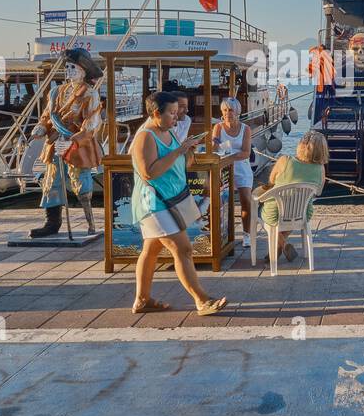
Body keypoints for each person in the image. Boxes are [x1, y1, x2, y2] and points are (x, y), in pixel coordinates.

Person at [130, 91, 228, 316]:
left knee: (151, 249)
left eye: (177, 112)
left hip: (170, 199)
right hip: (154, 202)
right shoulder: (146, 136)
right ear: (156, 113)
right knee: (183, 249)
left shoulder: (169, 132)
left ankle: (142, 299)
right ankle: (202, 300)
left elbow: (182, 163)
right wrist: (178, 151)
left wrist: (188, 151)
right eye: (172, 113)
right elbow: (149, 172)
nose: (177, 117)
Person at [29, 47, 104, 238]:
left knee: (82, 183)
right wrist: (41, 127)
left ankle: (91, 224)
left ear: (84, 70)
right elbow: (47, 116)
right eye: (67, 67)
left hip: (78, 146)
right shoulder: (56, 92)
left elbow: (91, 123)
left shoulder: (90, 94)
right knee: (51, 181)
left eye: (73, 67)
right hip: (55, 143)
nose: (69, 71)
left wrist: (74, 140)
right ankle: (52, 223)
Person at [257, 130, 328, 263]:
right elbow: (318, 192)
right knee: (292, 213)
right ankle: (281, 245)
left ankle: (281, 244)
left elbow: (271, 181)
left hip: (275, 213)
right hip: (302, 213)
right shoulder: (321, 169)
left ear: (301, 145)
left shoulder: (285, 160)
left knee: (258, 207)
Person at [211, 98, 254, 239]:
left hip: (241, 168)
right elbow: (214, 148)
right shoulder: (218, 128)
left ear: (237, 112)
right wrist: (213, 144)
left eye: (230, 110)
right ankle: (222, 234)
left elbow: (246, 152)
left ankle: (246, 234)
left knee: (246, 201)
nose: (227, 113)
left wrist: (229, 158)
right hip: (224, 169)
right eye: (225, 110)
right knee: (219, 202)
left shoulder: (245, 129)